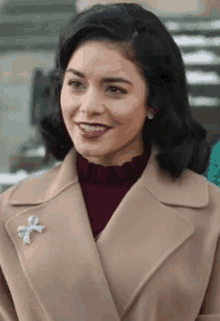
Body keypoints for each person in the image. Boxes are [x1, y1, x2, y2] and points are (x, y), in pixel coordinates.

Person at [0, 2, 219, 320]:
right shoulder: (9, 213)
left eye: (114, 89)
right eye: (75, 84)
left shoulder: (211, 216)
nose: (88, 107)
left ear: (154, 102)